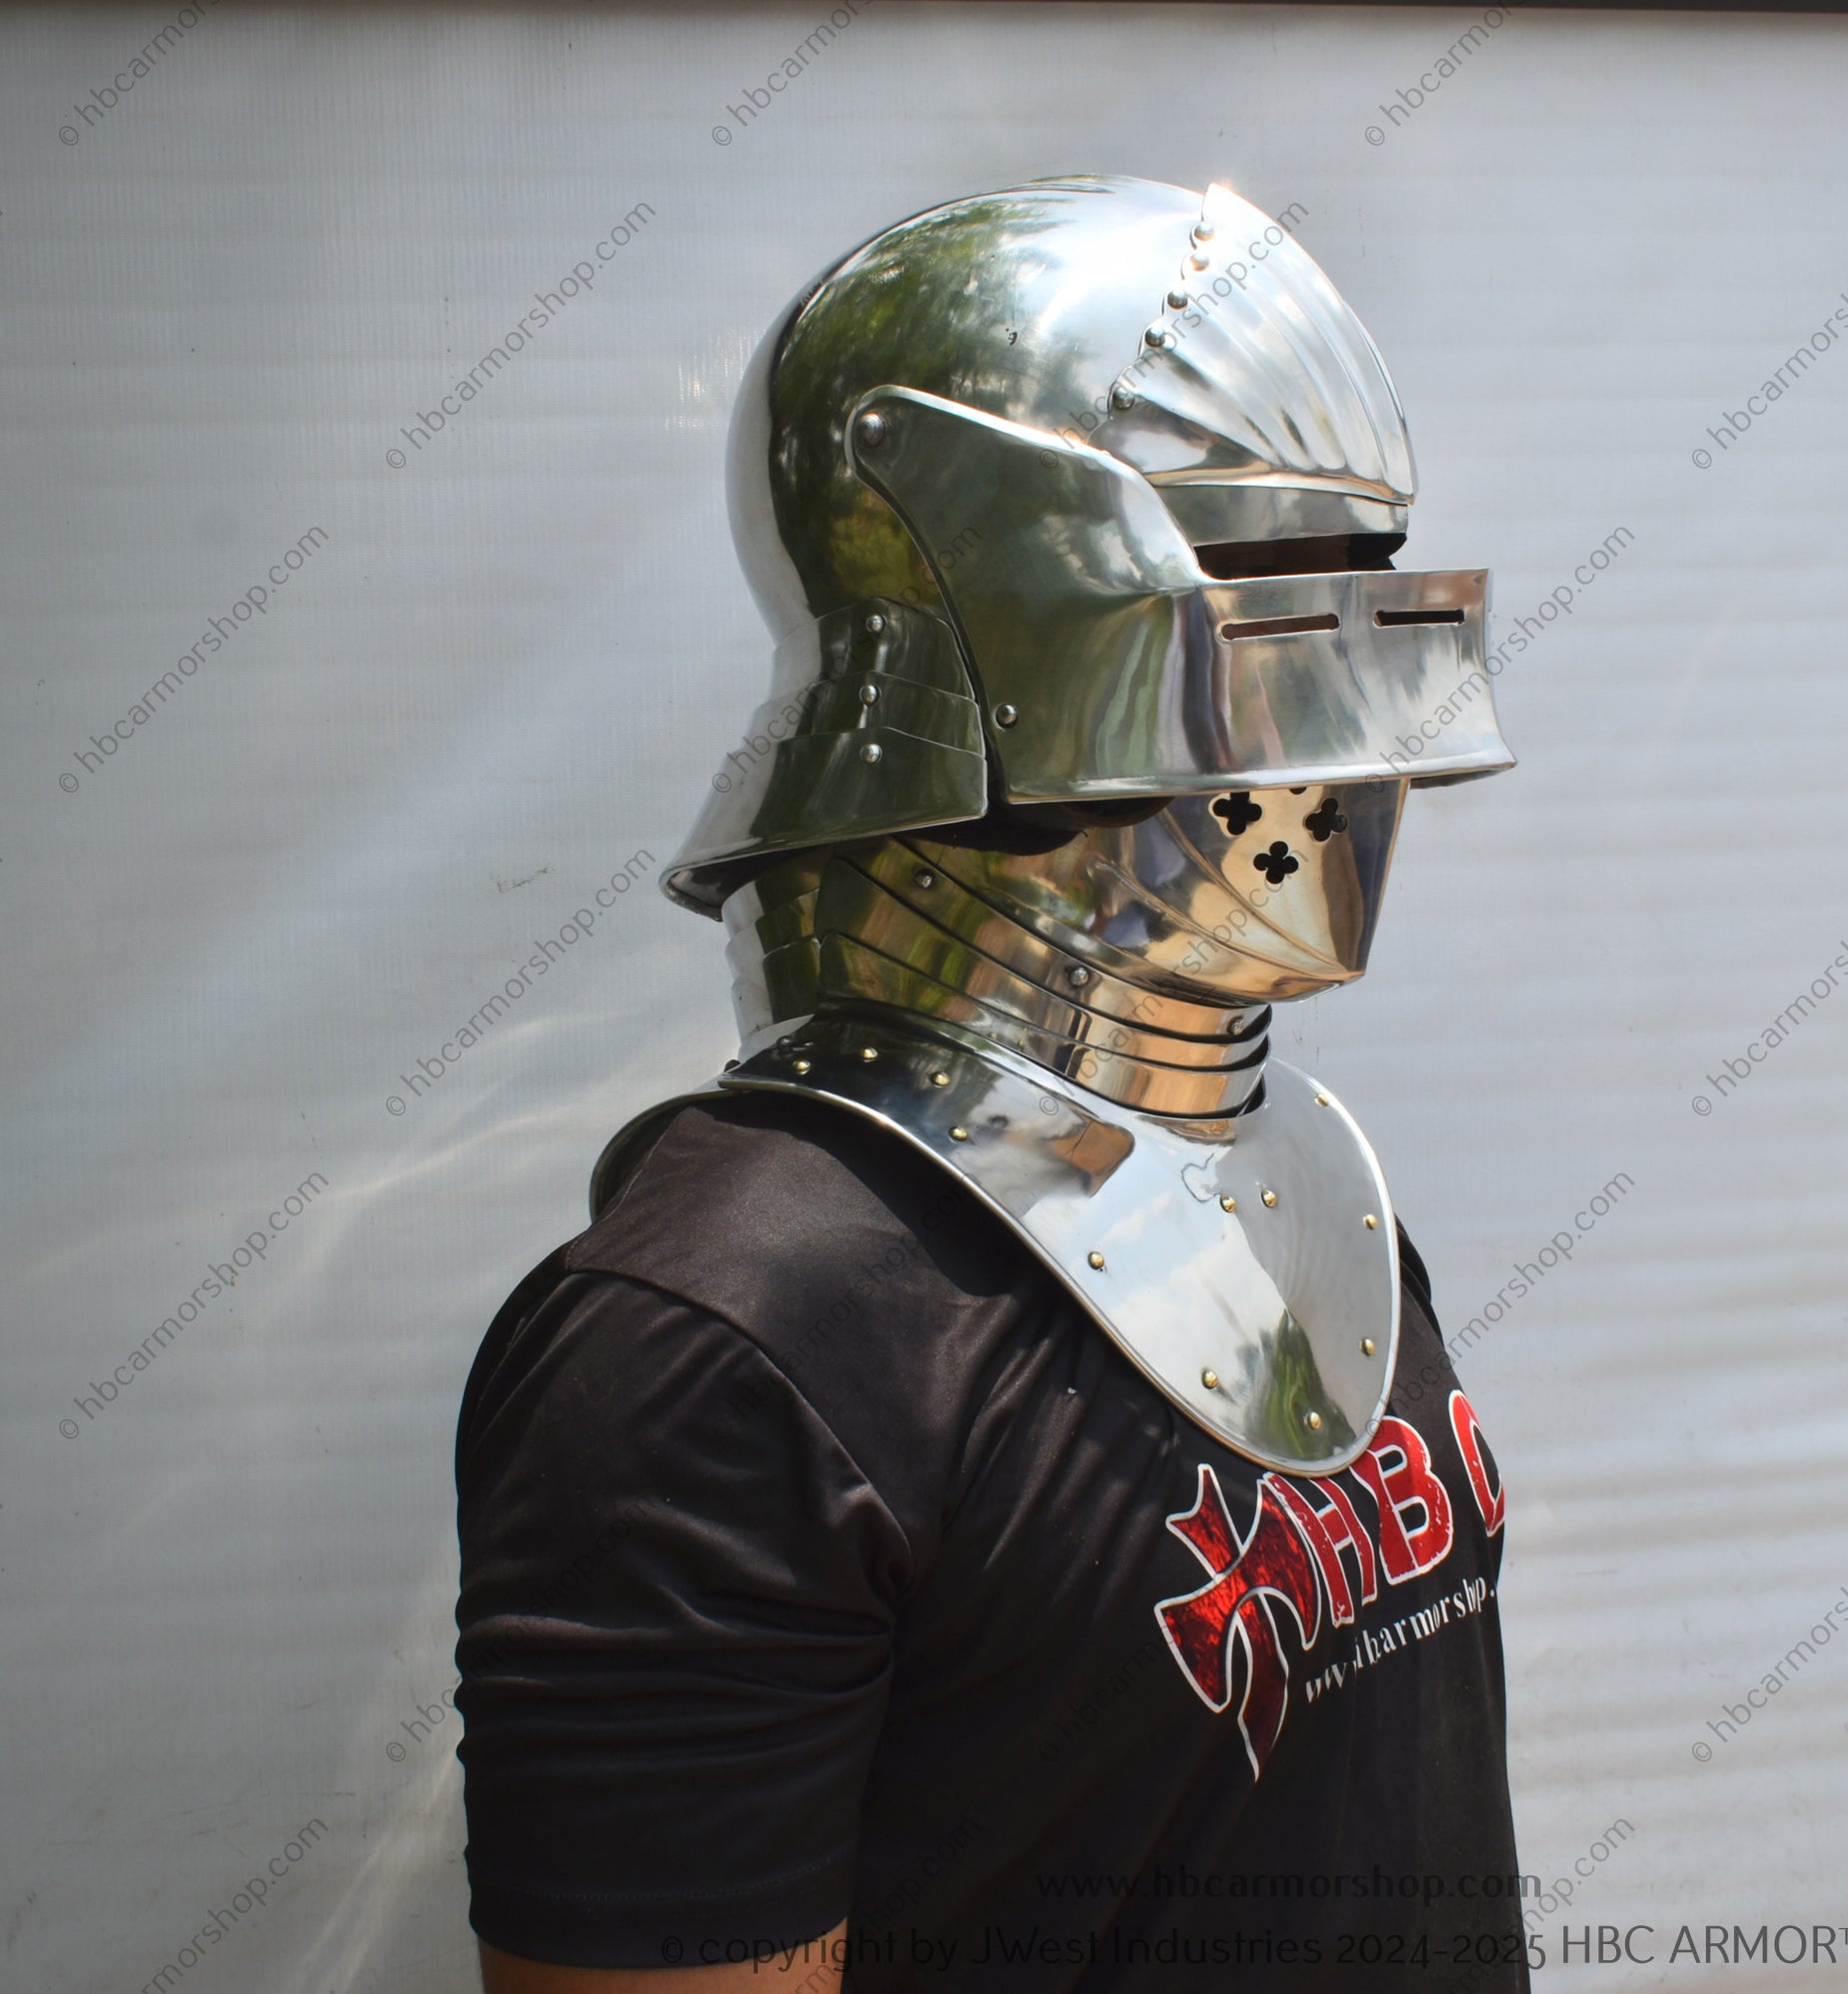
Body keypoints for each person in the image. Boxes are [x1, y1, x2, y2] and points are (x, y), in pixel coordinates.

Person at [454, 175, 1530, 1992]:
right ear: (1000, 597)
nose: (1353, 685)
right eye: (1266, 585)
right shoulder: (719, 1348)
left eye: (1360, 571)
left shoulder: (1292, 1164)